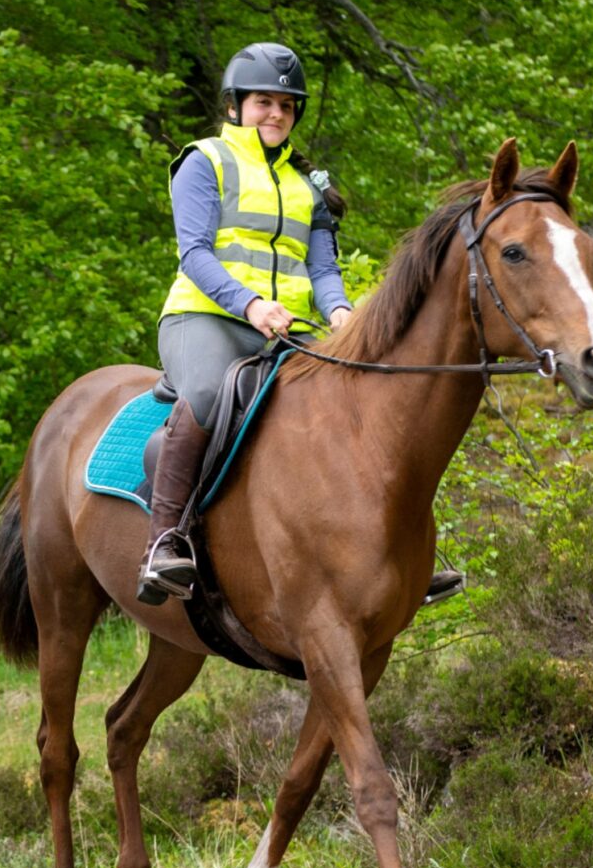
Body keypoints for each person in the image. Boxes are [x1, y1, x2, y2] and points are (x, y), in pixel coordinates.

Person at [137, 42, 461, 607]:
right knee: (211, 394)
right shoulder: (204, 160)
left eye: (287, 106)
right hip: (205, 317)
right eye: (264, 102)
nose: (277, 115)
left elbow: (322, 268)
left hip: (286, 326)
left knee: (364, 389)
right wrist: (251, 305)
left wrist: (339, 312)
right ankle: (166, 539)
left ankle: (401, 545)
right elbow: (193, 253)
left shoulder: (306, 184)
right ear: (236, 105)